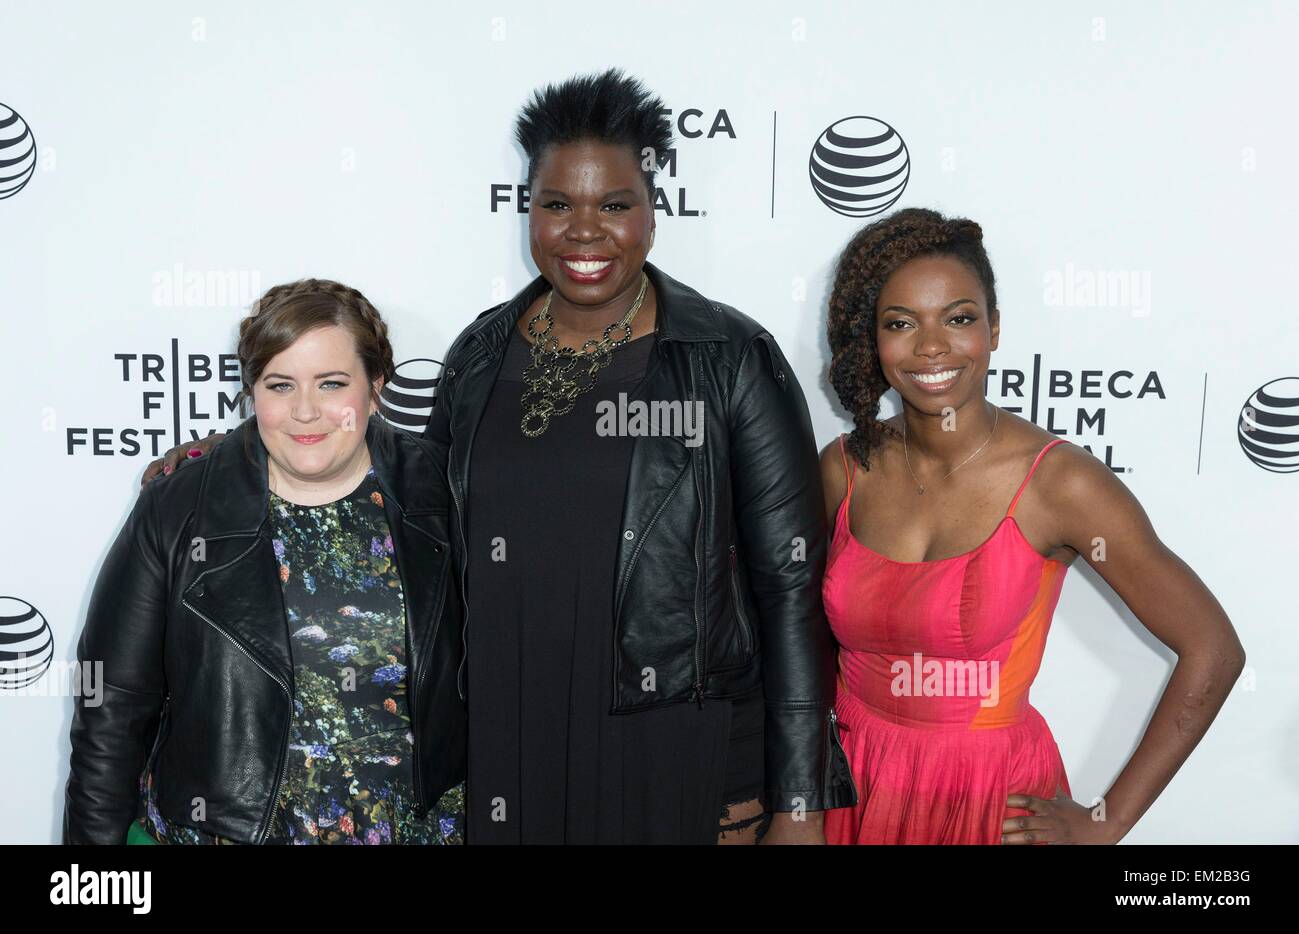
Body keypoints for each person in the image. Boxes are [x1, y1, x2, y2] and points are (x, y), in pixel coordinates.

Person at [147, 70, 856, 844]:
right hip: (509, 744)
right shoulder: (484, 350)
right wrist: (250, 451)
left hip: (676, 750)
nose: (585, 232)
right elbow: (405, 493)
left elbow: (789, 591)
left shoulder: (729, 359)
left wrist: (797, 803)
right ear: (530, 210)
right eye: (557, 205)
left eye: (614, 205)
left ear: (653, 214)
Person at [819, 207, 1245, 844]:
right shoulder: (845, 467)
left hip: (987, 802)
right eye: (901, 323)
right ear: (872, 341)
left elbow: (1213, 648)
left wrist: (1108, 822)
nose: (932, 346)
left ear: (994, 330)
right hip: (851, 785)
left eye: (959, 319)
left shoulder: (1059, 483)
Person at [67, 279, 466, 844]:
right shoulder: (181, 507)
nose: (305, 412)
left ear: (375, 386)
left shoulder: (446, 497)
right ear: (252, 389)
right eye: (280, 385)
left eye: (332, 383)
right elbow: (111, 710)